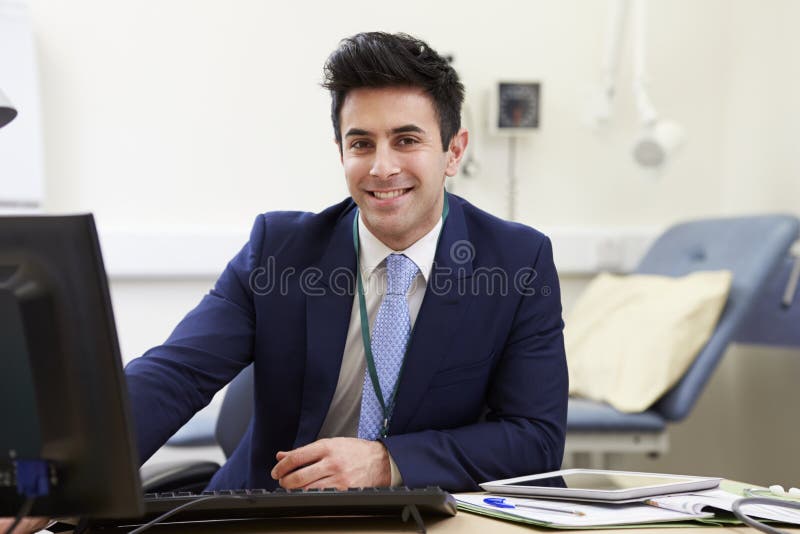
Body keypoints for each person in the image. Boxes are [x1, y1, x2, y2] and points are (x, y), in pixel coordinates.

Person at [1, 30, 567, 534]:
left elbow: (535, 436)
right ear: (341, 150)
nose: (381, 167)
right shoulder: (281, 250)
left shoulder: (517, 262)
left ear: (453, 151)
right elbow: (174, 374)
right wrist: (47, 474)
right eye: (361, 143)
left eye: (407, 140)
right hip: (268, 515)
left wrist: (385, 461)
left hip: (424, 519)